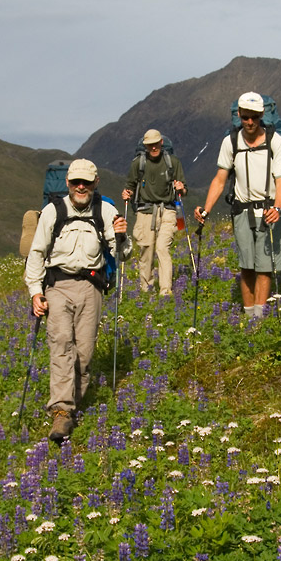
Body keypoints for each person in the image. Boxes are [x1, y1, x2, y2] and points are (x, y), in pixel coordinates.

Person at [24, 159, 131, 443]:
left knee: (84, 352)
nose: (80, 187)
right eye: (75, 183)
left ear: (96, 183)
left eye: (86, 182)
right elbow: (36, 252)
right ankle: (61, 411)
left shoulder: (106, 211)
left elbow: (123, 254)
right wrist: (36, 291)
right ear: (68, 184)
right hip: (57, 284)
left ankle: (74, 404)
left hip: (92, 287)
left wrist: (122, 236)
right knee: (61, 343)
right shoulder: (53, 211)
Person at [193, 92, 281, 319]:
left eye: (254, 118)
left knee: (265, 267)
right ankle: (249, 320)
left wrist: (277, 207)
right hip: (241, 210)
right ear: (239, 115)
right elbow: (220, 179)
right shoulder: (231, 142)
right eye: (246, 117)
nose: (250, 122)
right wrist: (206, 210)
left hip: (268, 211)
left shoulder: (275, 141)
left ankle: (259, 319)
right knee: (246, 266)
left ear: (261, 115)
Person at [121, 129, 187, 296]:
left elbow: (184, 189)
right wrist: (126, 193)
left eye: (156, 144)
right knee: (146, 250)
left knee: (162, 248)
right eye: (150, 145)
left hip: (168, 209)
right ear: (145, 146)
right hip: (145, 210)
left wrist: (181, 188)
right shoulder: (138, 163)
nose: (153, 147)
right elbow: (130, 185)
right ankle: (146, 289)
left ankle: (166, 291)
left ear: (161, 143)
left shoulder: (173, 162)